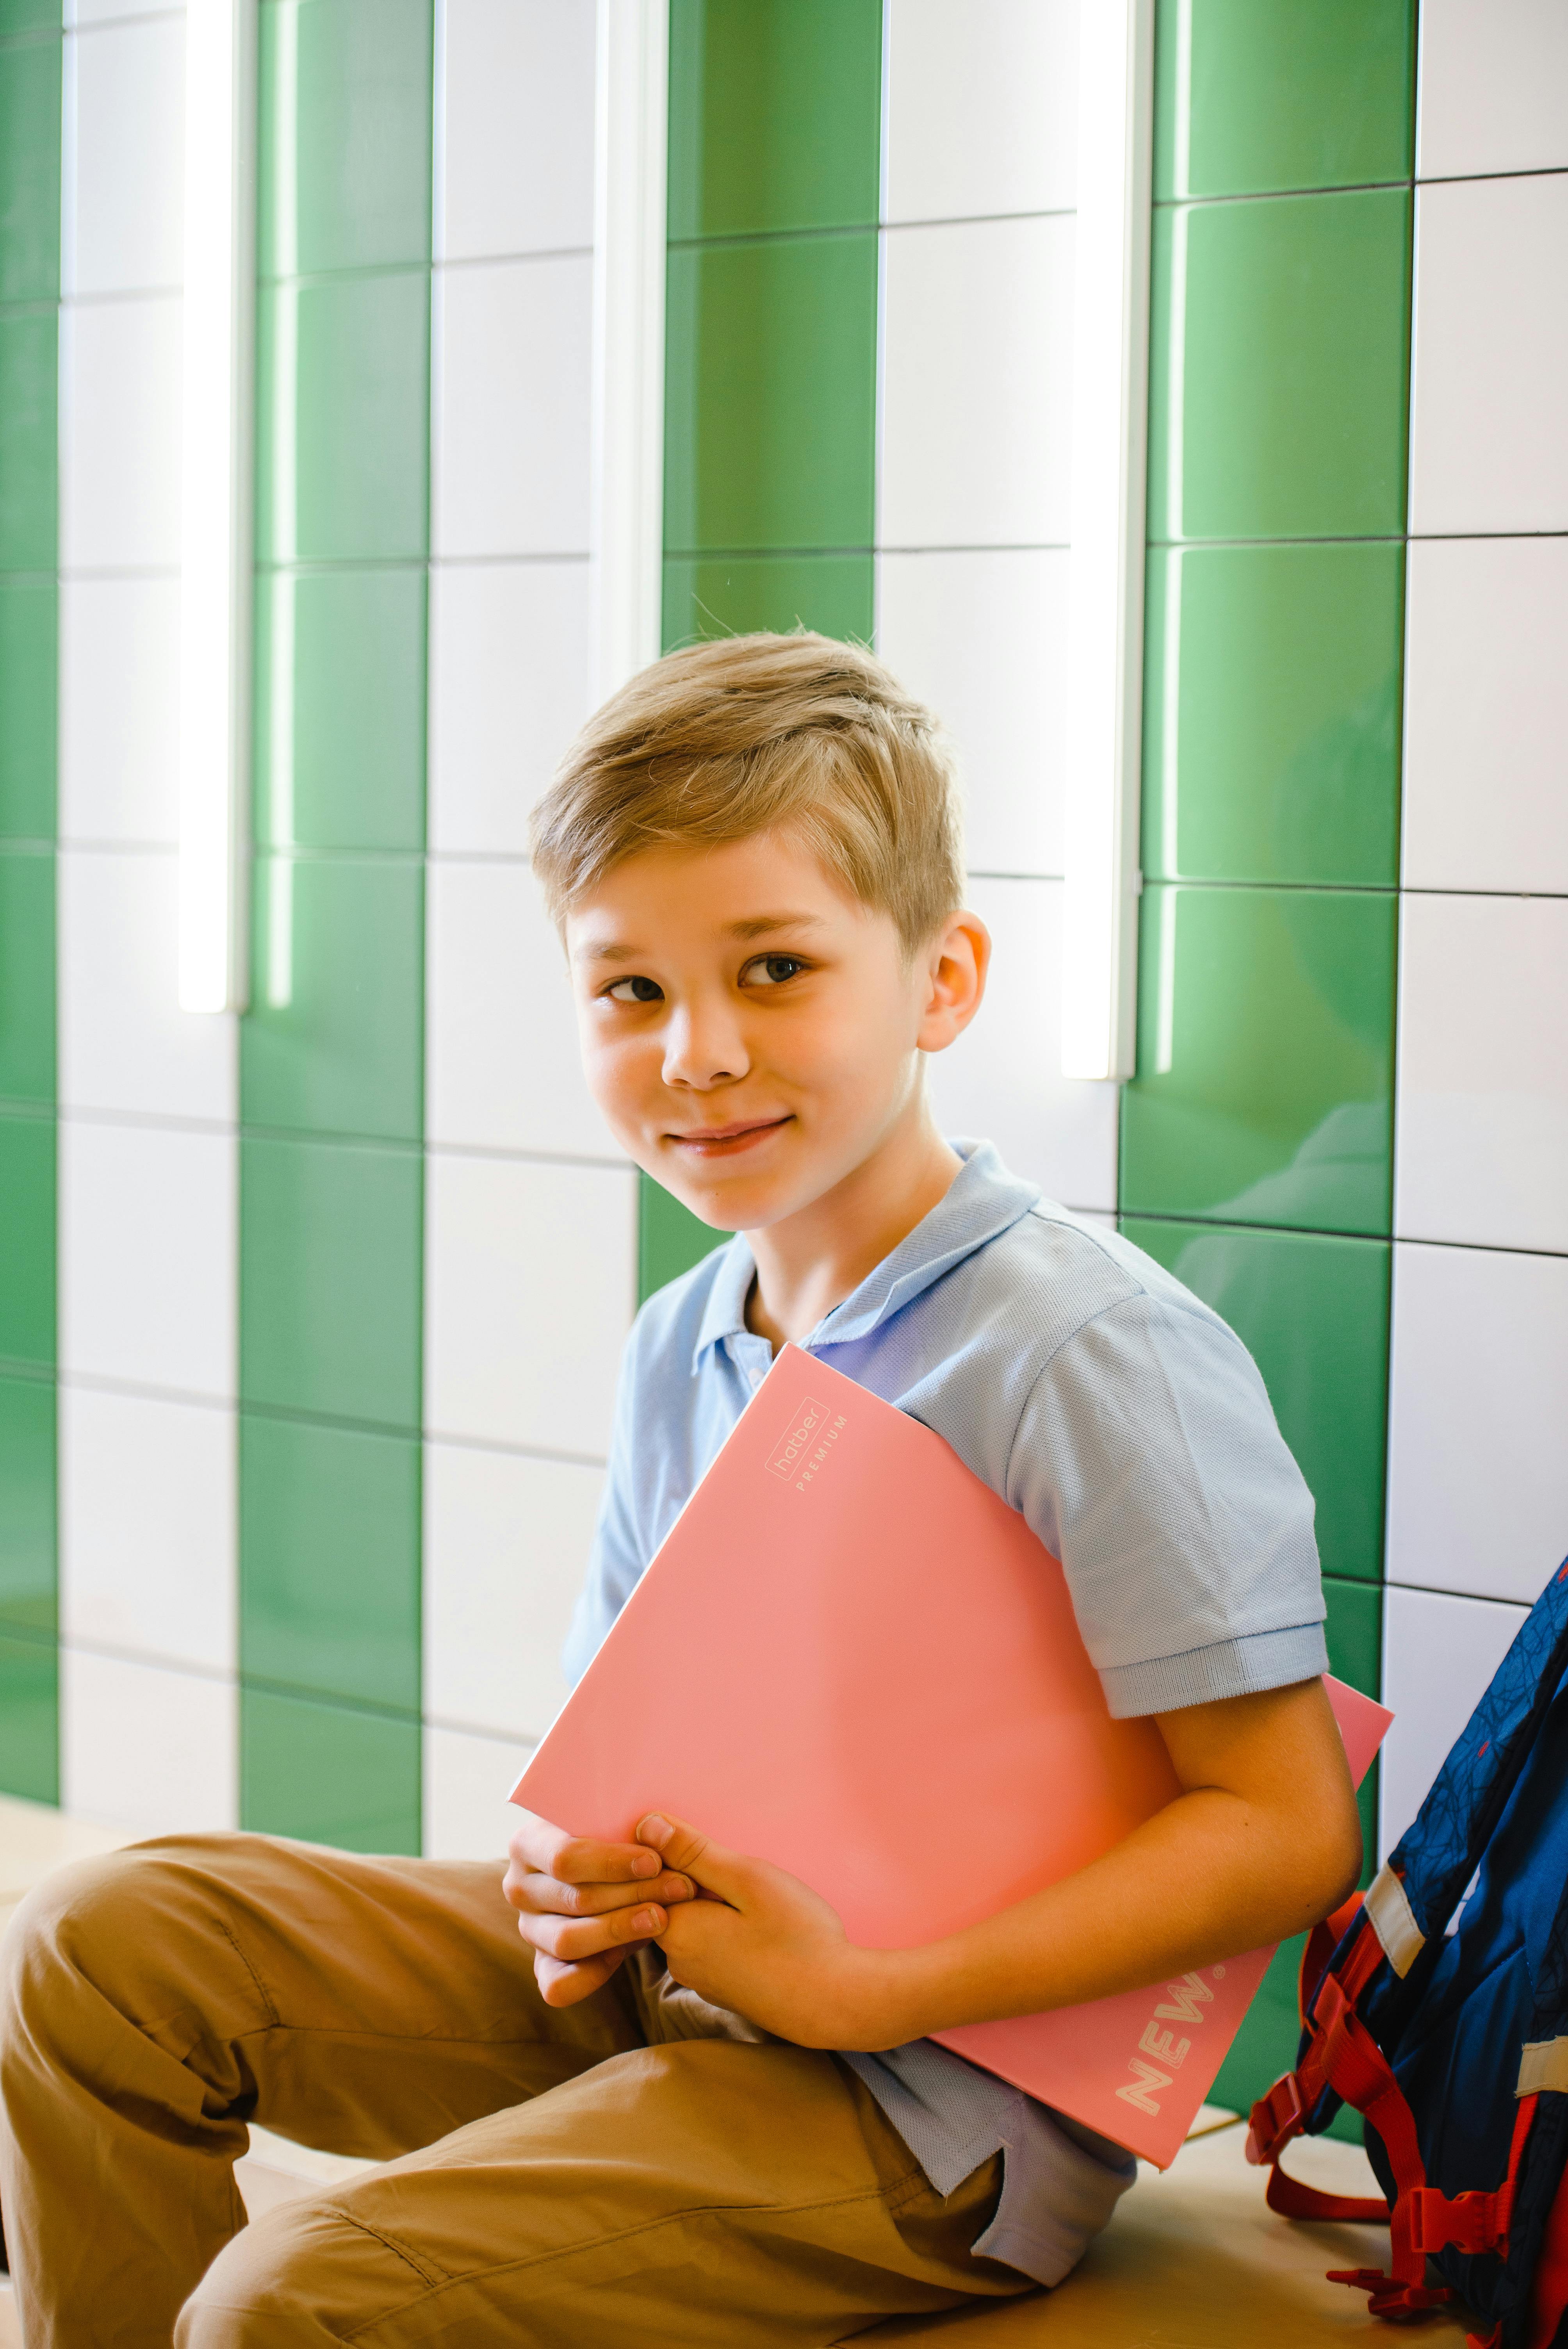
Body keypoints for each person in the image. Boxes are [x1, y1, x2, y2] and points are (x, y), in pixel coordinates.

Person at [0, 633, 1361, 2344]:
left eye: (775, 968)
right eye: (629, 990)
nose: (697, 1053)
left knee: (293, 2300)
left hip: (928, 2108)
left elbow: (1282, 1826)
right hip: (679, 1983)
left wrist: (868, 1986)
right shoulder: (681, 1335)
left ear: (941, 980)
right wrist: (569, 1876)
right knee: (92, 1949)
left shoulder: (1079, 1346)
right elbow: (613, 1768)